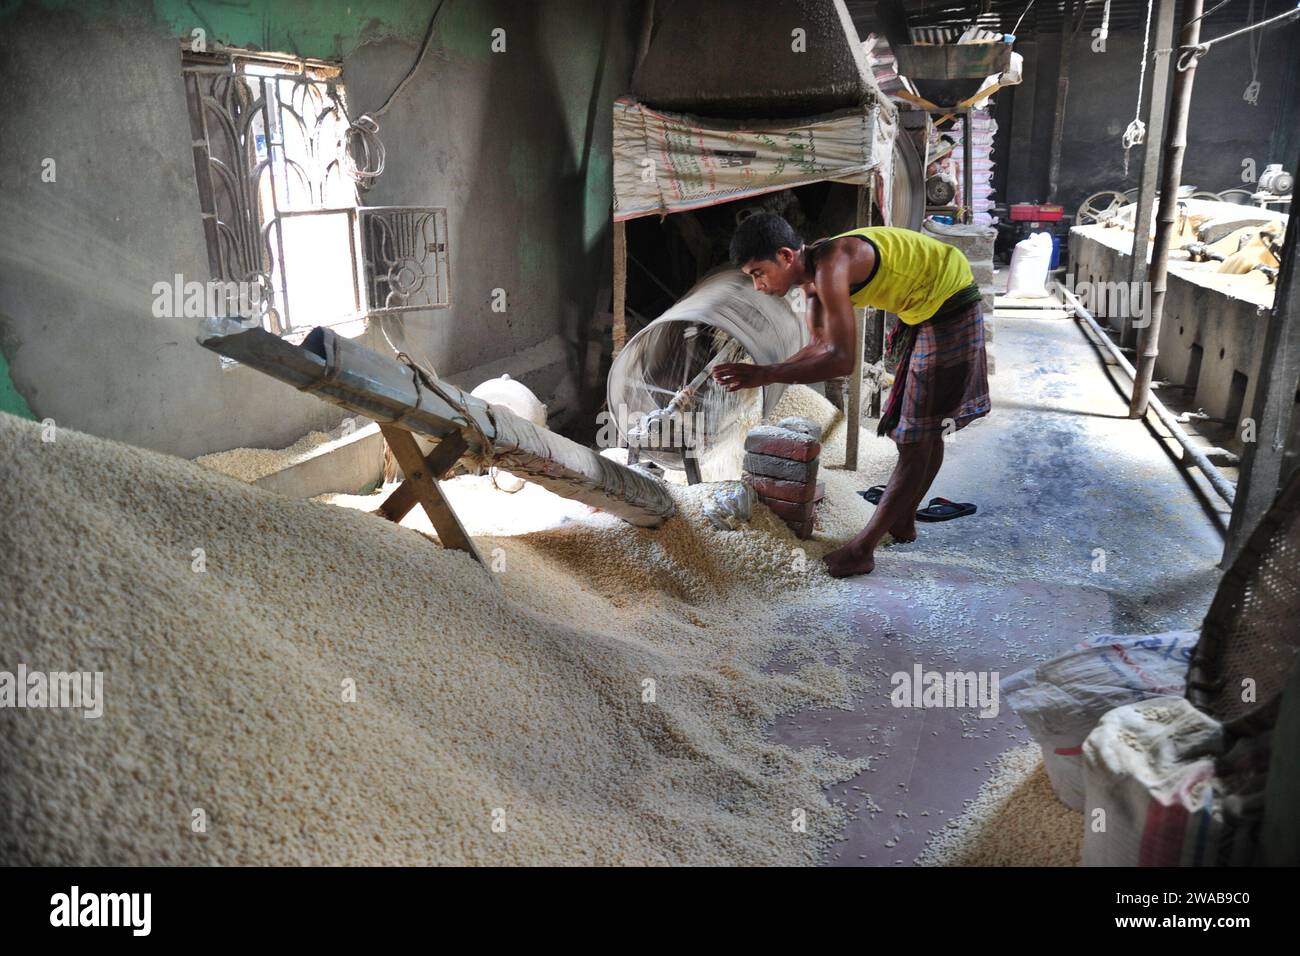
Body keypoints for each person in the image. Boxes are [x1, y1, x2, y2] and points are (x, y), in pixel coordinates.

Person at [713, 212, 989, 577]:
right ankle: (902, 520)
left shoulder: (832, 266)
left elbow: (842, 361)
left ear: (785, 256)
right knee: (923, 430)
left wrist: (765, 374)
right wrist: (768, 373)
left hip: (947, 299)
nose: (758, 285)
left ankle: (863, 549)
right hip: (921, 307)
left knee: (914, 440)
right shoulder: (811, 284)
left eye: (758, 273)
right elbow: (819, 347)